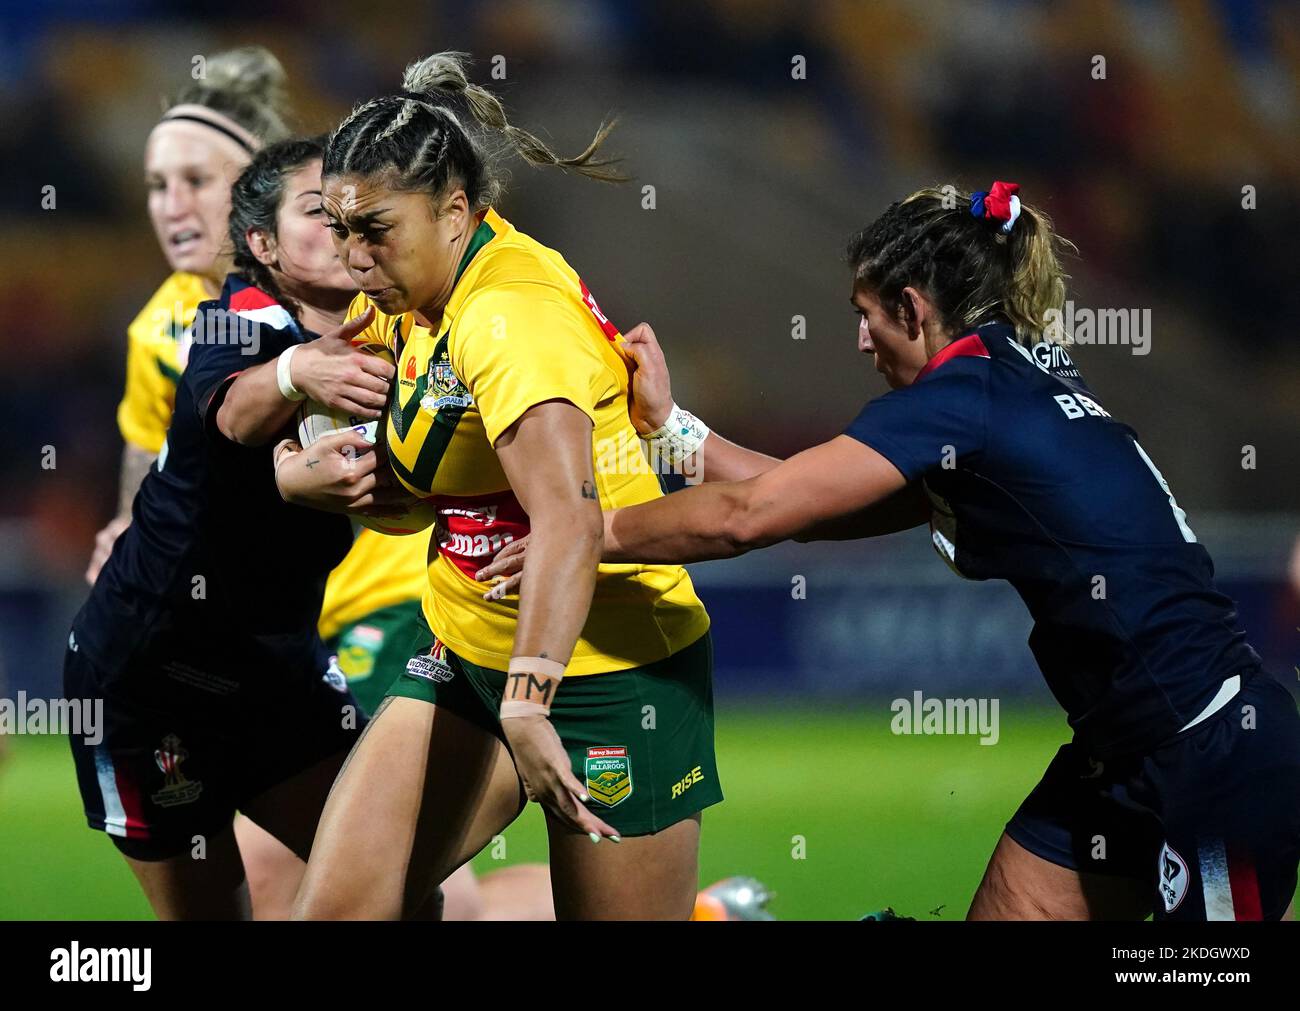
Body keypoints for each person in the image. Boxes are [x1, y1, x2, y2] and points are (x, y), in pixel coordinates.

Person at [478, 182, 1300, 922]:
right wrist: (668, 428)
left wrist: (586, 533)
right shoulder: (1006, 382)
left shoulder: (962, 396)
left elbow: (750, 515)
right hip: (1122, 752)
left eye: (866, 317)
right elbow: (802, 500)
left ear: (913, 309)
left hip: (1212, 755)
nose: (862, 342)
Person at [274, 52, 719, 920]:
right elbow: (433, 491)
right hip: (465, 652)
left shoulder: (508, 317)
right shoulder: (414, 293)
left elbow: (569, 517)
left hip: (606, 672)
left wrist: (528, 699)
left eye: (375, 229)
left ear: (454, 212)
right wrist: (305, 476)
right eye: (337, 227)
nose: (352, 258)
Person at [216, 136, 554, 919]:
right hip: (318, 637)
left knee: (303, 874)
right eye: (329, 220)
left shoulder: (443, 316)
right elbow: (207, 453)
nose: (349, 242)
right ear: (261, 247)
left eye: (361, 222)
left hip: (405, 614)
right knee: (394, 888)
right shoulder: (234, 337)